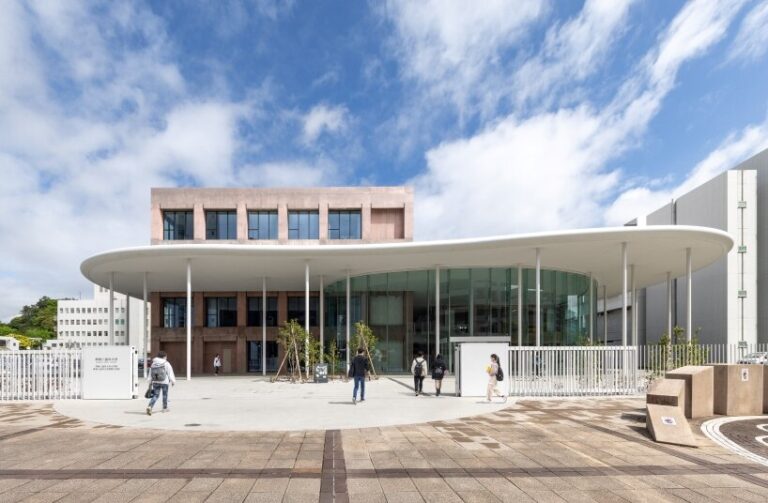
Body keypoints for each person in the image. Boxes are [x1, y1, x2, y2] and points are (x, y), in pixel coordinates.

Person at [146, 351, 176, 415]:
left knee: (156, 395)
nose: (166, 358)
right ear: (164, 357)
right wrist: (173, 381)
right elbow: (170, 372)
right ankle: (164, 408)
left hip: (155, 381)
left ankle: (150, 406)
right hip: (164, 381)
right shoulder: (166, 363)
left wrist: (150, 380)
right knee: (164, 395)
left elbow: (150, 373)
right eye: (166, 356)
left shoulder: (153, 363)